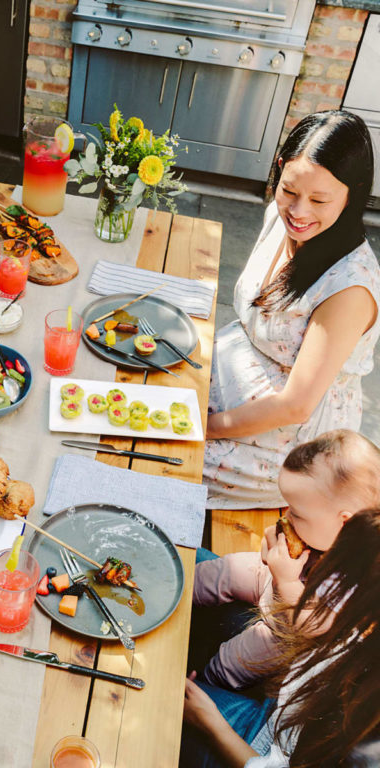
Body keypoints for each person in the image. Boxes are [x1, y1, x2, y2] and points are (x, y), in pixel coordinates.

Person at [203, 111, 380, 509]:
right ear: (280, 169)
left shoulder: (350, 287)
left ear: (352, 194)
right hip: (226, 387)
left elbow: (296, 405)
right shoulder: (278, 217)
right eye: (289, 190)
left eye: (319, 200)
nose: (298, 211)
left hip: (283, 442)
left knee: (152, 454)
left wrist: (202, 427)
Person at [181, 506, 380, 768]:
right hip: (292, 697)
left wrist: (210, 722)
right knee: (184, 562)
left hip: (263, 748)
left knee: (163, 697)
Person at [191, 429, 380, 691]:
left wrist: (288, 581)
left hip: (289, 631)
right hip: (276, 582)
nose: (288, 516)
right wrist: (272, 547)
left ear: (344, 522)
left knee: (237, 659)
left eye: (298, 514)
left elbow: (314, 627)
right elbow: (277, 545)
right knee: (224, 571)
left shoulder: (357, 572)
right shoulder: (322, 530)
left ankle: (203, 686)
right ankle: (180, 590)